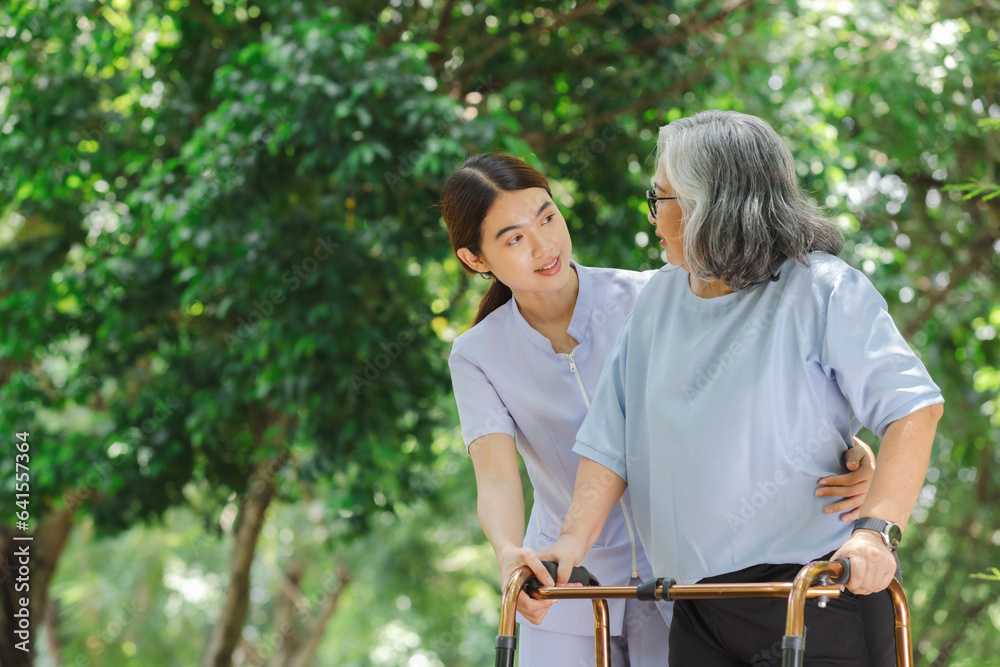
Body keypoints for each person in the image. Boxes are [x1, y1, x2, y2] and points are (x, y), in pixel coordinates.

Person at [537, 110, 944, 666]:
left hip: (809, 593)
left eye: (662, 198)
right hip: (696, 603)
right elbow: (611, 442)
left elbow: (914, 408)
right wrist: (570, 544)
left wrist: (876, 530)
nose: (653, 216)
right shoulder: (656, 304)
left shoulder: (820, 288)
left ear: (708, 204)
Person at [442, 152, 878, 666]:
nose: (544, 245)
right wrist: (508, 551)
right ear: (475, 259)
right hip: (566, 578)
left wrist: (845, 450)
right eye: (513, 238)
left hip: (677, 574)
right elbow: (495, 476)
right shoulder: (477, 353)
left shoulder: (653, 296)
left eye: (547, 217)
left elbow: (746, 403)